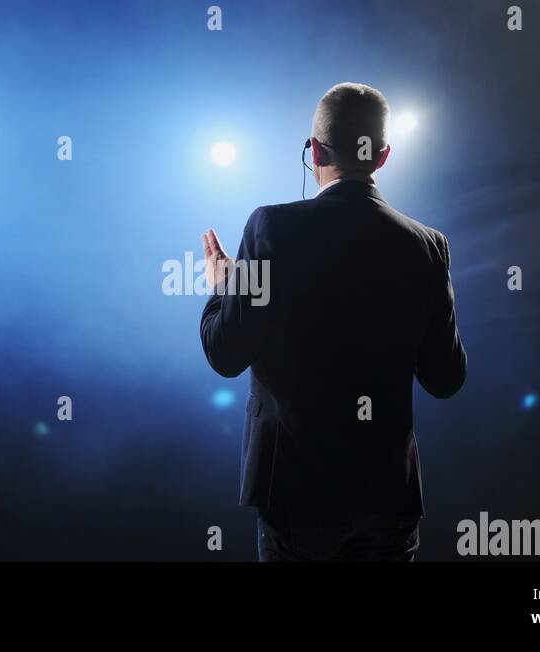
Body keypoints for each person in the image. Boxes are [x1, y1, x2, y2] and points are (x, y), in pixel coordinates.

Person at [199, 82, 467, 561]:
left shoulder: (270, 229)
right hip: (386, 499)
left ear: (315, 150)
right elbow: (445, 380)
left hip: (295, 497)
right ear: (382, 157)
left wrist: (224, 287)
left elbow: (226, 354)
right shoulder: (429, 246)